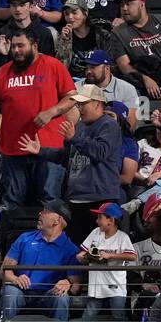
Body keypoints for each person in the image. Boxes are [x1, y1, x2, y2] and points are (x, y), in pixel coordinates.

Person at [0, 30, 76, 213]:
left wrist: (52, 112)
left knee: (51, 201)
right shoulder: (5, 71)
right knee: (11, 203)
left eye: (21, 46)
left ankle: (51, 242)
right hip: (13, 150)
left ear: (34, 46)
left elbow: (72, 96)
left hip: (48, 147)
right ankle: (12, 241)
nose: (16, 50)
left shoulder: (53, 66)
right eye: (14, 46)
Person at [0, 204, 82, 322]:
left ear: (57, 221)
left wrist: (68, 283)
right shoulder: (24, 238)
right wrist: (15, 279)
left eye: (45, 211)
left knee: (61, 297)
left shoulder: (71, 250)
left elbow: (76, 287)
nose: (39, 213)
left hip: (49, 294)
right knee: (10, 292)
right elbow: (3, 271)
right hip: (21, 291)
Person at [59, 84, 119, 242]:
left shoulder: (109, 125)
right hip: (76, 200)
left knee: (99, 250)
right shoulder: (79, 127)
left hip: (99, 200)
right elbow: (66, 158)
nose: (79, 108)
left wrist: (75, 138)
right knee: (77, 249)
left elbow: (100, 152)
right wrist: (40, 151)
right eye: (78, 104)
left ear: (97, 103)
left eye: (83, 104)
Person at [77, 201, 134, 319]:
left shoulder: (122, 237)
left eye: (100, 217)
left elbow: (132, 256)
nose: (97, 221)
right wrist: (85, 257)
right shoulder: (95, 233)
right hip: (97, 284)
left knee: (118, 317)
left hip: (115, 285)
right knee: (87, 317)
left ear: (111, 220)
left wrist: (111, 256)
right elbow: (81, 253)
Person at [0, 0, 57, 73]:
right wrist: (3, 55)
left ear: (31, 7)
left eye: (22, 5)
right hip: (12, 80)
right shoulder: (3, 33)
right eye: (13, 5)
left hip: (37, 80)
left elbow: (49, 65)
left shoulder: (44, 33)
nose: (17, 9)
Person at [57, 0, 111, 76]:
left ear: (85, 14)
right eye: (66, 14)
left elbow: (109, 63)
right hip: (74, 81)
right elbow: (61, 68)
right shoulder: (63, 36)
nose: (70, 17)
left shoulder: (101, 34)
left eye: (74, 13)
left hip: (98, 79)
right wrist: (65, 42)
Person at [82, 50, 136, 118]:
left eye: (93, 67)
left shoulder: (127, 89)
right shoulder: (76, 87)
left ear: (107, 68)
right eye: (86, 68)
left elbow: (131, 122)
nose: (88, 71)